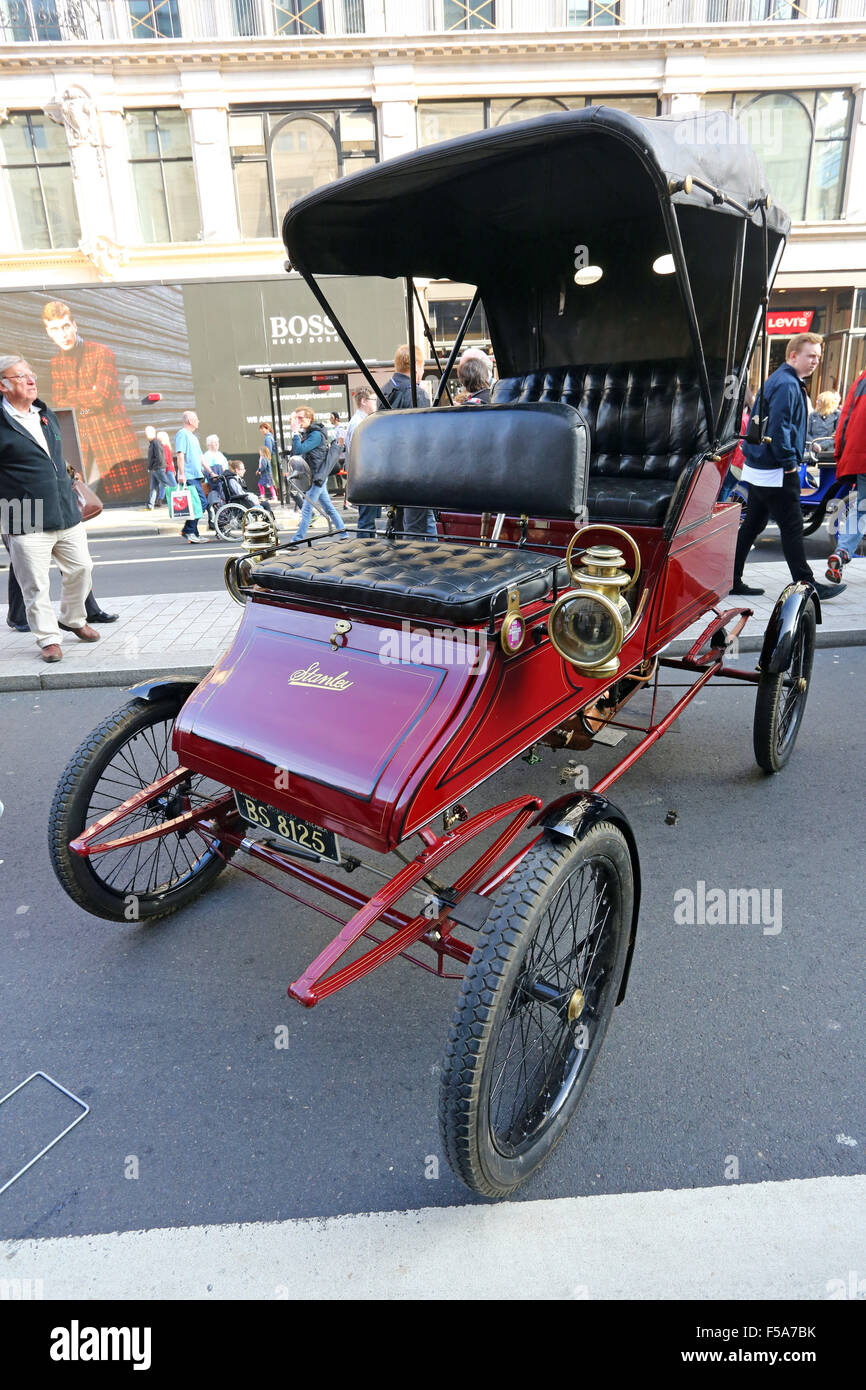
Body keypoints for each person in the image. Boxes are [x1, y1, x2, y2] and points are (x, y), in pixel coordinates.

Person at [730, 333, 844, 601]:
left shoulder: (783, 380)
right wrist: (790, 464)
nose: (815, 360)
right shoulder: (787, 384)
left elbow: (782, 425)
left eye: (818, 356)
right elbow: (779, 428)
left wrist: (802, 447)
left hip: (761, 468)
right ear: (793, 355)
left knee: (753, 526)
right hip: (776, 471)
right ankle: (807, 583)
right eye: (810, 355)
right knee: (792, 528)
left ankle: (731, 579)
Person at [0, 354, 99, 662]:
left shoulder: (45, 413)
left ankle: (72, 619)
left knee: (82, 568)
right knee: (35, 584)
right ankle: (48, 639)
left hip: (65, 511)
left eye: (31, 374)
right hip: (24, 514)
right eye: (20, 377)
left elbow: (55, 455)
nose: (31, 380)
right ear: (2, 386)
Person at [41, 299, 145, 503]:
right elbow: (60, 403)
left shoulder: (101, 352)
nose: (62, 334)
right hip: (83, 442)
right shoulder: (56, 363)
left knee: (127, 497)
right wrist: (87, 397)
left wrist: (79, 402)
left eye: (65, 326)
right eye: (54, 329)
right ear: (49, 333)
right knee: (86, 497)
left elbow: (100, 399)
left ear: (74, 325)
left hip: (112, 439)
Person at [385, 344, 436, 538]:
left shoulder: (385, 391)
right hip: (415, 472)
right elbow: (424, 437)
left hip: (391, 471)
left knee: (398, 525)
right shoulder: (417, 393)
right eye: (422, 366)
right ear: (416, 366)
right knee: (418, 527)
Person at [825, 367, 866, 583]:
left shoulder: (861, 379)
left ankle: (841, 552)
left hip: (860, 455)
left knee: (862, 508)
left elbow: (846, 418)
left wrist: (840, 453)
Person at [289, 407, 346, 543]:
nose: (298, 420)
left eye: (301, 418)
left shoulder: (315, 435)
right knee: (328, 507)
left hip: (318, 476)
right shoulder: (309, 433)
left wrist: (295, 433)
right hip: (317, 475)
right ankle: (343, 533)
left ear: (309, 418)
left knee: (307, 508)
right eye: (296, 418)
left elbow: (298, 449)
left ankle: (297, 539)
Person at [175, 410, 215, 544]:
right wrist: (181, 474)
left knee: (196, 505)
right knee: (202, 503)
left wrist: (210, 471)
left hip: (196, 475)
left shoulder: (193, 437)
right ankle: (188, 530)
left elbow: (200, 457)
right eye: (196, 419)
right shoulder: (182, 434)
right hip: (188, 476)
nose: (198, 421)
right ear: (190, 421)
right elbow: (180, 455)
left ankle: (194, 533)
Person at [346, 387, 379, 537]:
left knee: (370, 521)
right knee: (366, 521)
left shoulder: (362, 421)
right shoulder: (358, 423)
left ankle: (368, 552)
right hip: (365, 478)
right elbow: (359, 454)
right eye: (373, 400)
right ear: (363, 401)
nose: (376, 403)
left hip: (365, 477)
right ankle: (364, 553)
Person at [145, 425, 171, 509]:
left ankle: (175, 502)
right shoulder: (152, 443)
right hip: (154, 469)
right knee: (153, 487)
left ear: (153, 433)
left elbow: (159, 456)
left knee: (167, 485)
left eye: (147, 432)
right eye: (146, 432)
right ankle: (150, 505)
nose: (146, 434)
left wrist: (155, 467)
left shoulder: (156, 442)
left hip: (158, 468)